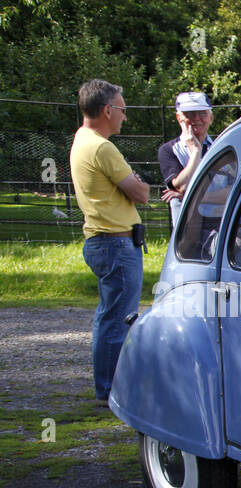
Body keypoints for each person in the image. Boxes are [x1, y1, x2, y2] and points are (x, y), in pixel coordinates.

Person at [70, 79, 150, 403]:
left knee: (110, 316)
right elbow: (141, 193)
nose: (124, 117)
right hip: (116, 245)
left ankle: (109, 385)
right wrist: (137, 184)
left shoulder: (81, 139)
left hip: (103, 242)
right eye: (122, 110)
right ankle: (112, 389)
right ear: (107, 110)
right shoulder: (102, 147)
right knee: (118, 319)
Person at [158, 91, 214, 225]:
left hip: (220, 225)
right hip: (187, 229)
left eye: (202, 113)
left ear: (211, 118)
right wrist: (195, 151)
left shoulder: (221, 147)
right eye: (189, 114)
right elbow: (183, 186)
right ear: (179, 118)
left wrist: (189, 196)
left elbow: (231, 191)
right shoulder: (168, 150)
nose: (196, 118)